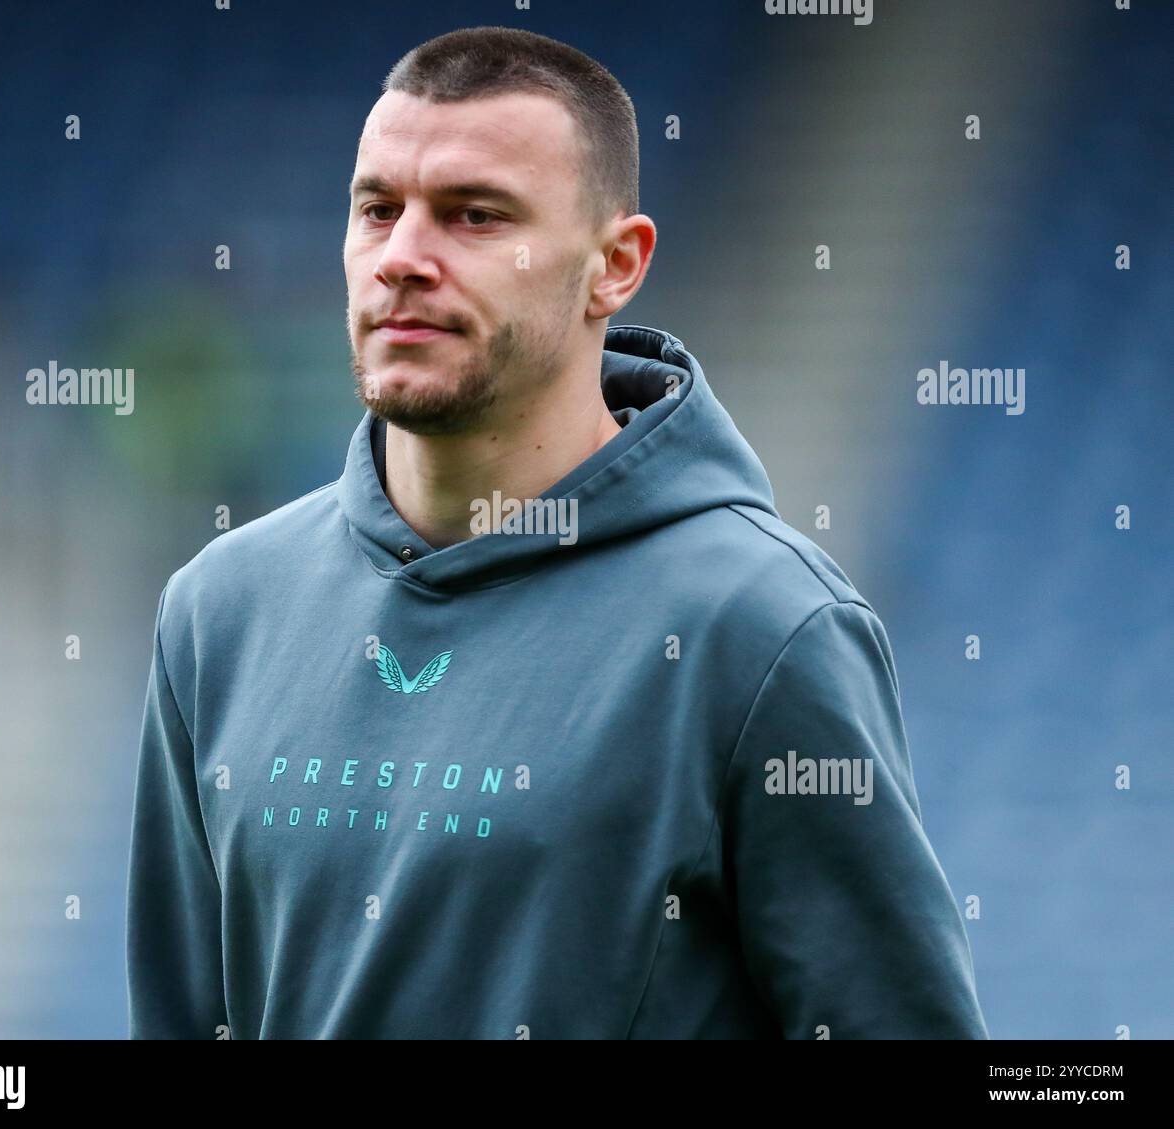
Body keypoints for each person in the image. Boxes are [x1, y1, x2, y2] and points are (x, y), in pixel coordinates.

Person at [126, 25, 988, 1039]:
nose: (403, 258)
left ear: (613, 266)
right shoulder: (218, 612)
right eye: (376, 210)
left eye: (473, 216)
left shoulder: (759, 629)